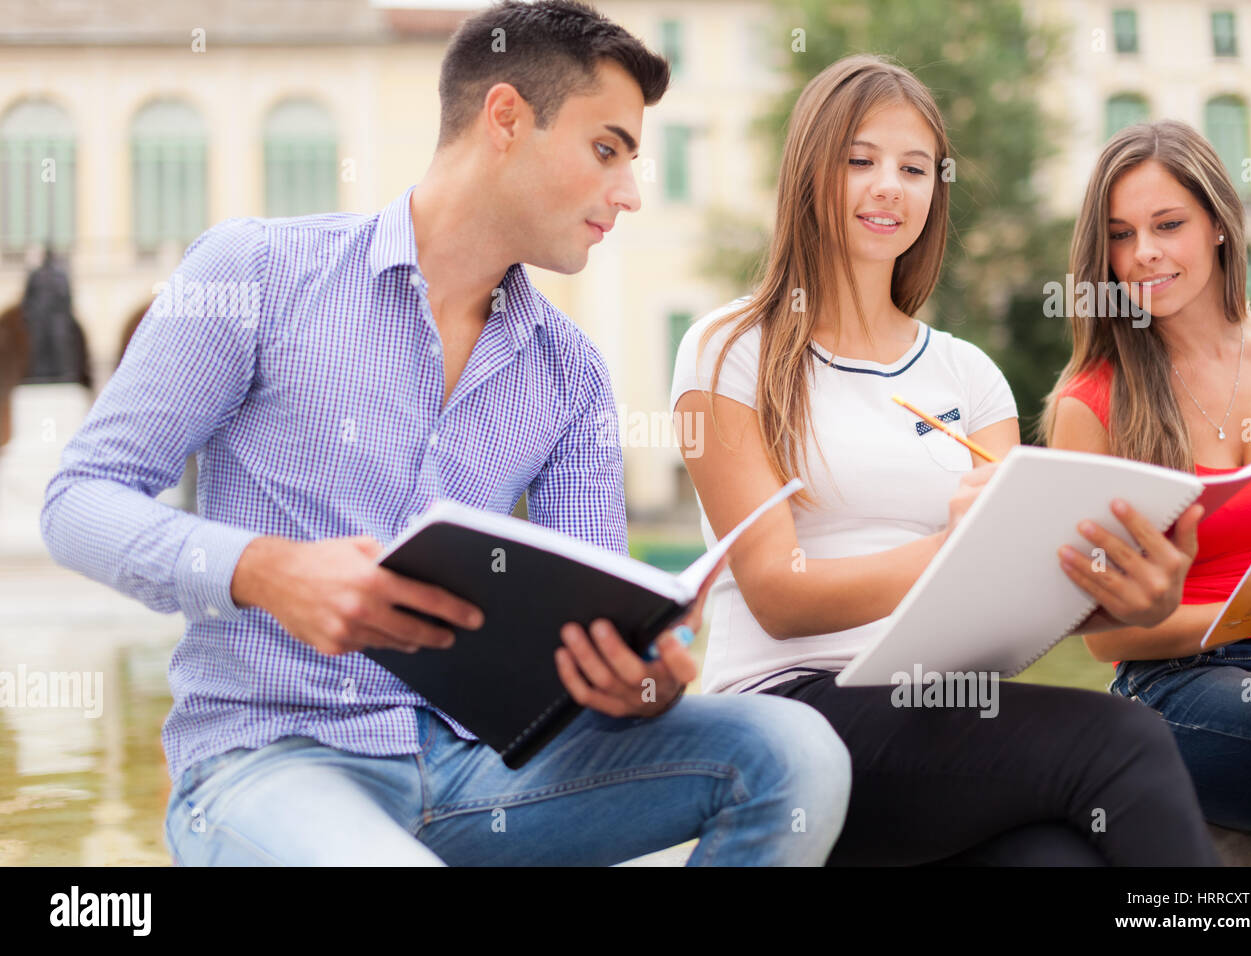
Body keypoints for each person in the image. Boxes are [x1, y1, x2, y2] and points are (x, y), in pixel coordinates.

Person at [41, 0, 852, 866]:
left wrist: (644, 681)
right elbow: (77, 500)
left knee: (794, 754)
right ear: (505, 117)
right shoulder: (256, 275)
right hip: (271, 761)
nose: (629, 193)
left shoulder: (571, 376)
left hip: (484, 776)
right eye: (607, 149)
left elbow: (600, 631)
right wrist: (265, 571)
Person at [670, 54, 1221, 865]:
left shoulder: (970, 376)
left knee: (1054, 861)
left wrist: (1126, 602)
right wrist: (955, 547)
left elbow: (1010, 602)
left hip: (941, 710)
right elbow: (779, 593)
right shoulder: (729, 350)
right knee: (1126, 738)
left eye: (915, 167)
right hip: (793, 713)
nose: (889, 185)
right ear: (807, 172)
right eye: (860, 160)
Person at [1042, 119, 1251, 833]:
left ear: (1219, 224)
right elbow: (1106, 637)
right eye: (1121, 235)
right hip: (1180, 686)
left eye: (1167, 224)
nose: (1144, 254)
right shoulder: (1092, 402)